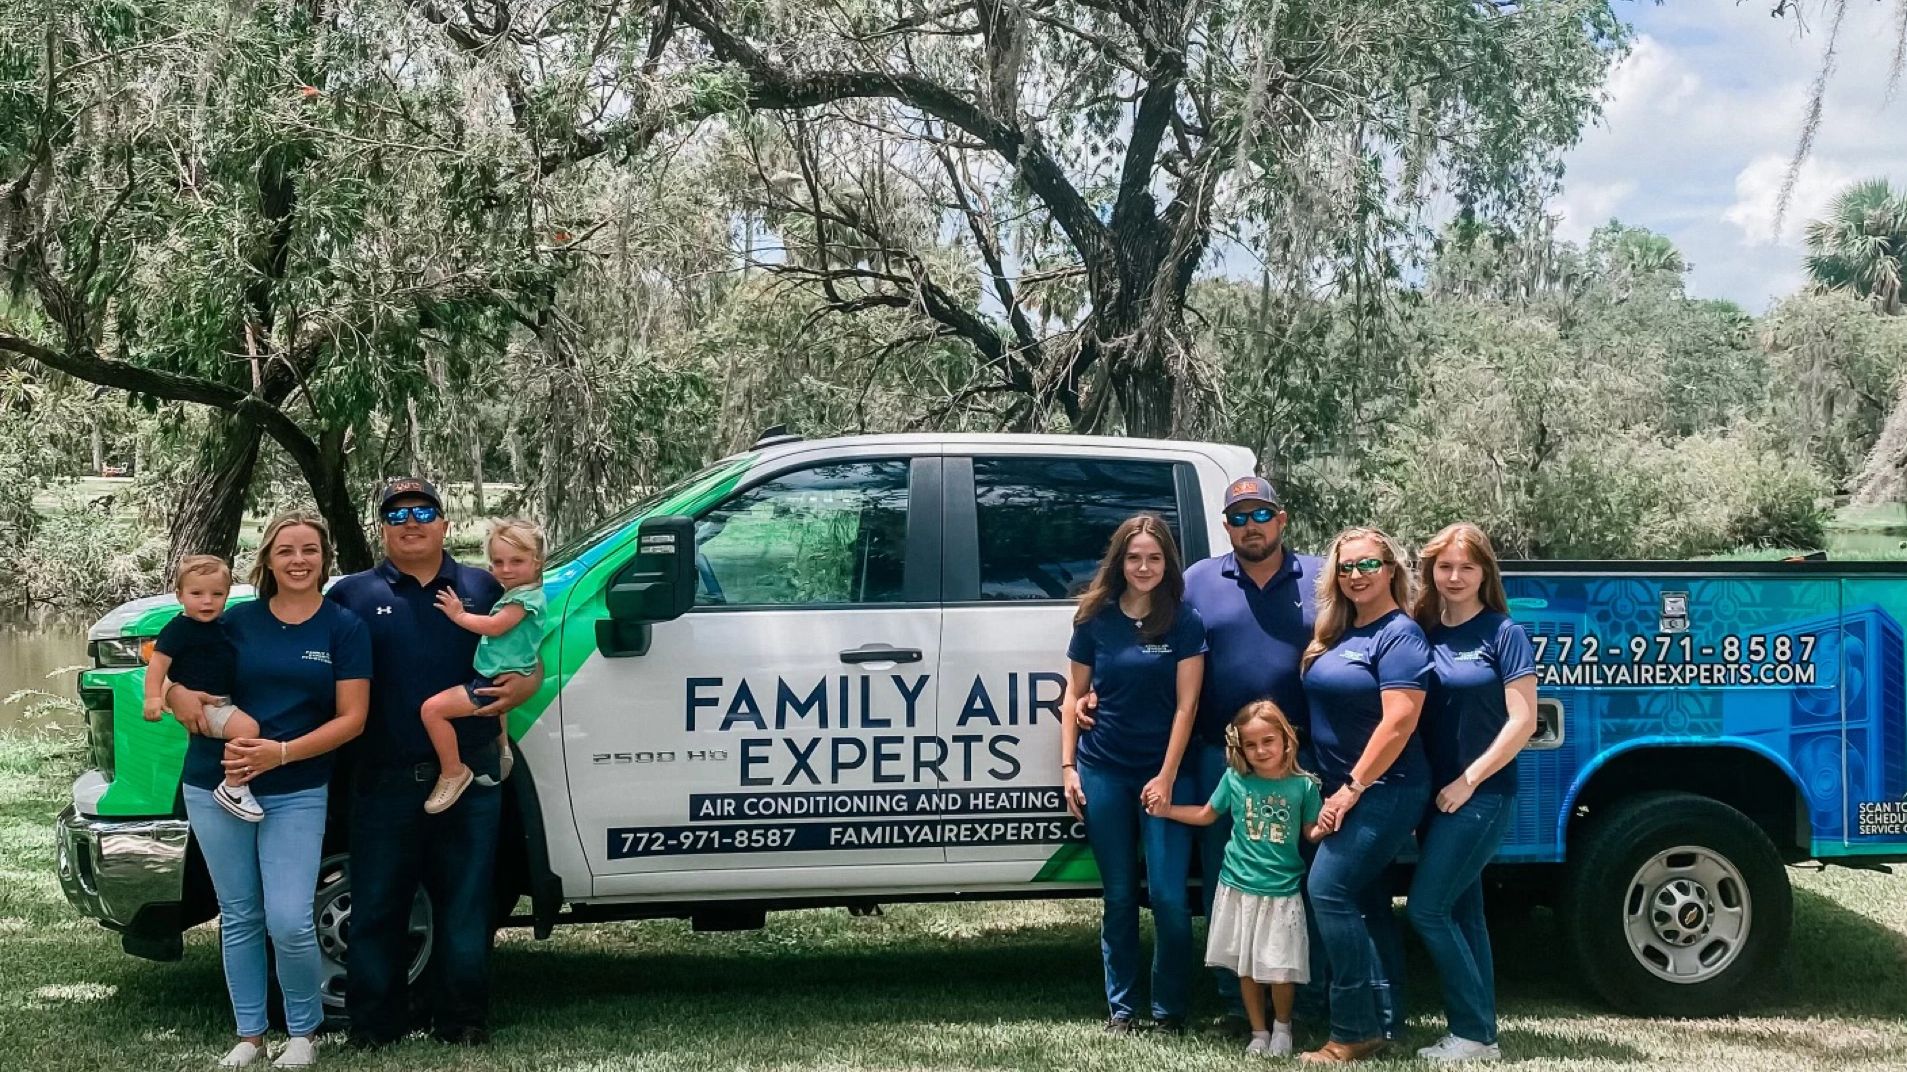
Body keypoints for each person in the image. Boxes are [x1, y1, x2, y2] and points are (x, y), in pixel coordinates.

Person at [325, 478, 543, 1048]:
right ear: (383, 529)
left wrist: (524, 689)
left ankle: (462, 1021)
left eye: (423, 511)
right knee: (376, 904)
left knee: (467, 904)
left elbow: (528, 654)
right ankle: (373, 1028)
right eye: (397, 515)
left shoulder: (486, 585)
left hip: (471, 775)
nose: (411, 522)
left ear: (445, 524)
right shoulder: (350, 593)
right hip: (382, 778)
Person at [165, 513, 372, 1068]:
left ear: (324, 559)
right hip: (213, 783)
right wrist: (177, 695)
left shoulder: (343, 628)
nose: (298, 560)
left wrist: (280, 753)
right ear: (268, 561)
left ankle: (304, 1032)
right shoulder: (233, 621)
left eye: (309, 550)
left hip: (297, 787)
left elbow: (352, 719)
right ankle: (250, 1036)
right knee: (239, 915)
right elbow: (167, 658)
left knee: (288, 916)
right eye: (285, 551)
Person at [1060, 514, 1206, 1034]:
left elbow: (1187, 708)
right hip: (1104, 772)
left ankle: (1169, 1012)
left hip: (1166, 776)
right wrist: (1069, 767)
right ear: (1119, 561)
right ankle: (1121, 1009)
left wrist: (1166, 776)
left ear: (1167, 563)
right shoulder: (1094, 618)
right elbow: (1073, 696)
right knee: (1119, 895)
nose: (1144, 566)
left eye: (1154, 557)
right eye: (1134, 557)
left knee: (1168, 897)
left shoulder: (1184, 620)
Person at [1298, 527, 1432, 1064]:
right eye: (1347, 567)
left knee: (1328, 891)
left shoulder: (1400, 636)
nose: (1356, 576)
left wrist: (1351, 789)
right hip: (1341, 787)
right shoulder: (1338, 632)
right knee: (1367, 901)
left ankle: (1352, 1030)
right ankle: (1385, 1017)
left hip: (1385, 789)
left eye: (1368, 566)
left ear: (1391, 570)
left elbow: (1399, 722)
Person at [1406, 523, 1537, 1063]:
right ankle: (1483, 1033)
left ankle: (1471, 1032)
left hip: (1481, 794)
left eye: (1466, 567)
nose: (1454, 577)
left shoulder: (1503, 633)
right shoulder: (1423, 631)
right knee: (1464, 913)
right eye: (1444, 567)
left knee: (1426, 909)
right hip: (1434, 797)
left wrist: (1470, 779)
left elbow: (1523, 720)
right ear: (1430, 573)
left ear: (1485, 573)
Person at [1147, 700, 1327, 1057]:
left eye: (1268, 741)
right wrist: (1166, 810)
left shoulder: (1304, 786)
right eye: (1251, 744)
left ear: (1286, 740)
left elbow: (1310, 833)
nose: (1260, 751)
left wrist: (1334, 817)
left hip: (1281, 890)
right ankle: (1258, 1031)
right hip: (1238, 887)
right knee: (1246, 965)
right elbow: (1206, 814)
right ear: (1240, 747)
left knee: (1279, 968)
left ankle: (1283, 1028)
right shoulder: (1235, 779)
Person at [420, 520, 546, 814]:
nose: (506, 569)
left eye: (517, 561)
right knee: (499, 712)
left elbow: (495, 627)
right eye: (498, 562)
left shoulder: (525, 599)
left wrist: (459, 615)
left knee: (433, 711)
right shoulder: (514, 593)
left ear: (536, 563)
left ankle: (453, 771)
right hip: (498, 672)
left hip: (494, 679)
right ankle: (503, 751)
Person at [145, 555, 265, 822]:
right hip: (206, 705)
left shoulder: (221, 627)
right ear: (180, 595)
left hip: (223, 700)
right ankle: (234, 786)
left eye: (217, 593)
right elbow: (157, 665)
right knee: (247, 729)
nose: (207, 601)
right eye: (196, 593)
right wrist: (154, 697)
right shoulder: (178, 629)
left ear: (227, 594)